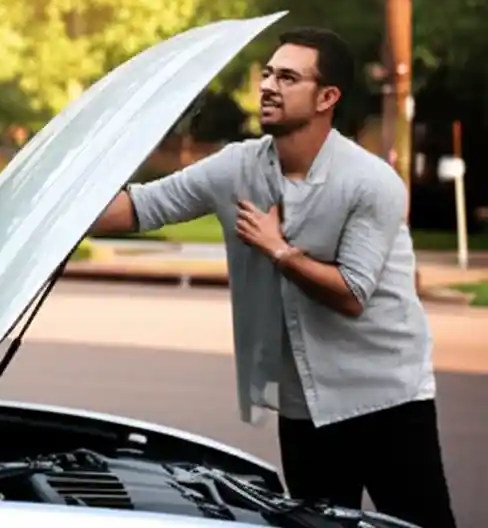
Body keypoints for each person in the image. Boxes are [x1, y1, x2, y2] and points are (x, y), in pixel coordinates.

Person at [90, 27, 456, 528]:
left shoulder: (370, 183)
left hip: (385, 396)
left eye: (288, 77)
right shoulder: (236, 167)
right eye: (267, 74)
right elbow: (139, 208)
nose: (268, 85)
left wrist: (278, 250)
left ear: (327, 97)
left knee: (422, 524)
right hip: (303, 405)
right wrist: (53, 208)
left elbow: (352, 294)